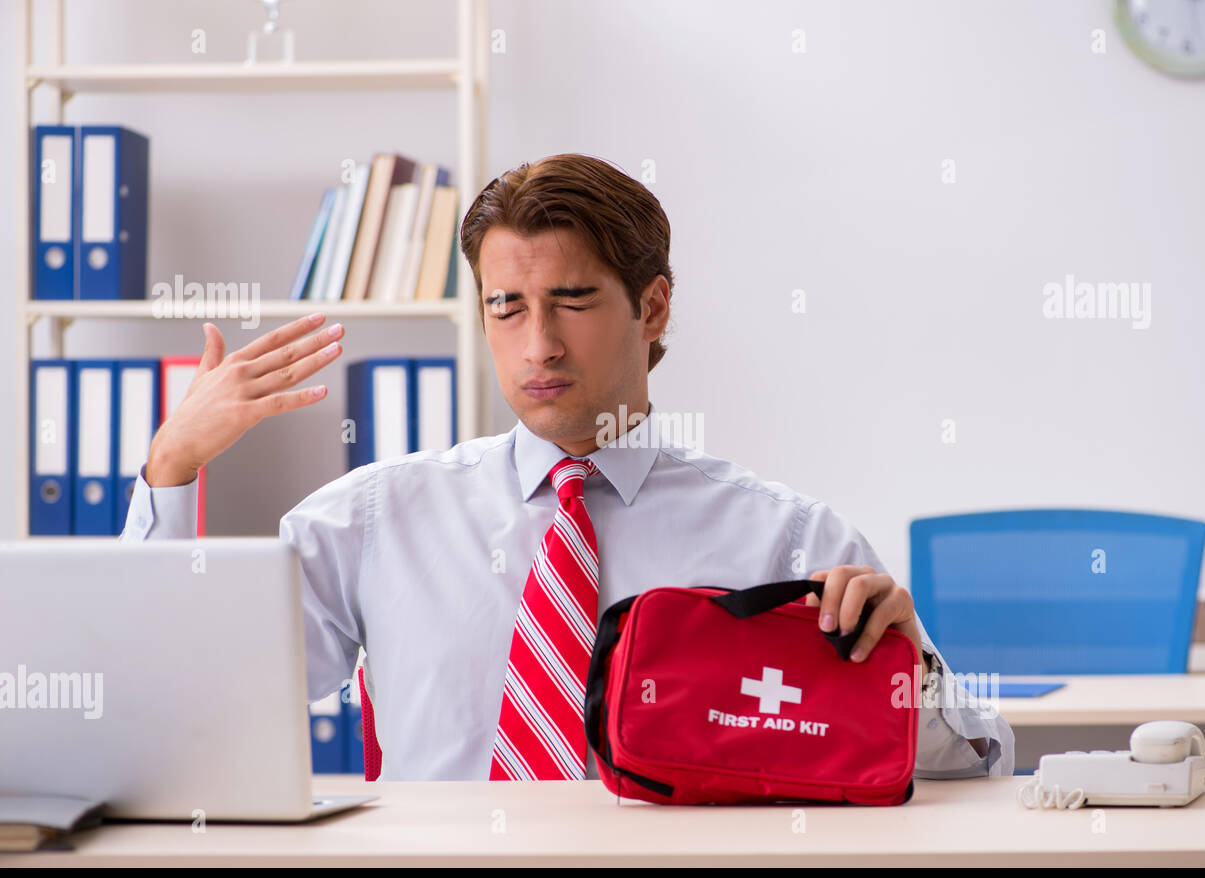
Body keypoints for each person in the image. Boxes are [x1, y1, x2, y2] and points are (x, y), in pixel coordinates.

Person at [121, 153, 1013, 781]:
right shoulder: (374, 517)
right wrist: (170, 468)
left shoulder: (785, 538)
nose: (537, 342)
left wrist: (905, 666)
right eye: (505, 307)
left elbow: (979, 755)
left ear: (652, 307)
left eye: (572, 300)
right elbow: (185, 699)